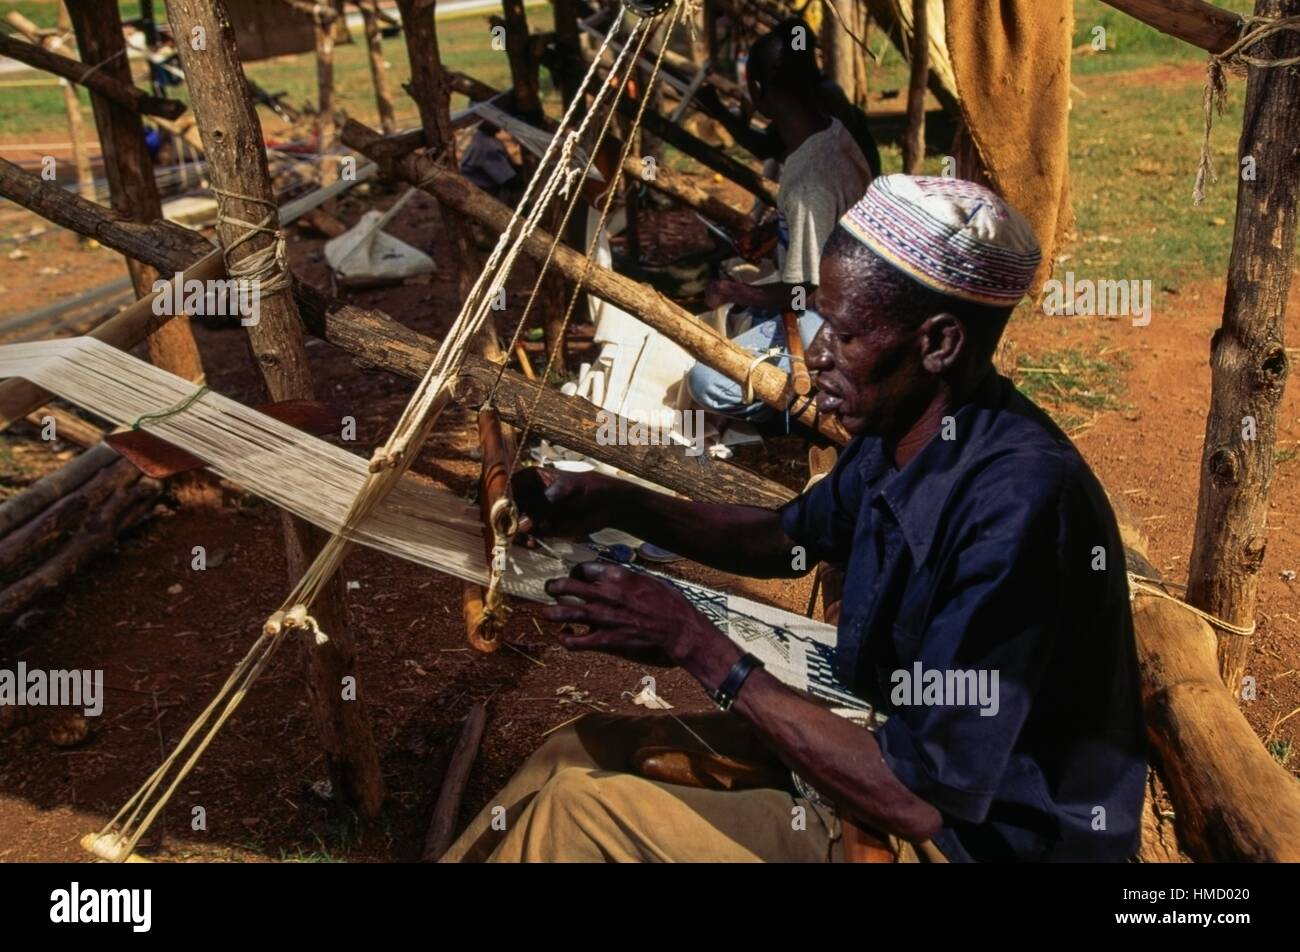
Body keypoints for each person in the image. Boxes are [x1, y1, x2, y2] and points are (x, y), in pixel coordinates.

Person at [440, 176, 1148, 863]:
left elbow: (918, 797)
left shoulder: (1019, 510)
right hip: (886, 755)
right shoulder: (901, 437)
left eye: (842, 332)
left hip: (973, 840)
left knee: (577, 817)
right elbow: (785, 539)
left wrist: (697, 644)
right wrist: (617, 502)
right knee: (578, 748)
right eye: (817, 323)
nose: (815, 354)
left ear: (938, 344)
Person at [686, 19, 874, 422]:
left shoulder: (810, 183)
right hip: (844, 299)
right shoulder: (831, 134)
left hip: (832, 323)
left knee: (705, 381)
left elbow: (807, 294)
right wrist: (777, 233)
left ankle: (805, 409)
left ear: (757, 91)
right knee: (742, 318)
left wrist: (739, 293)